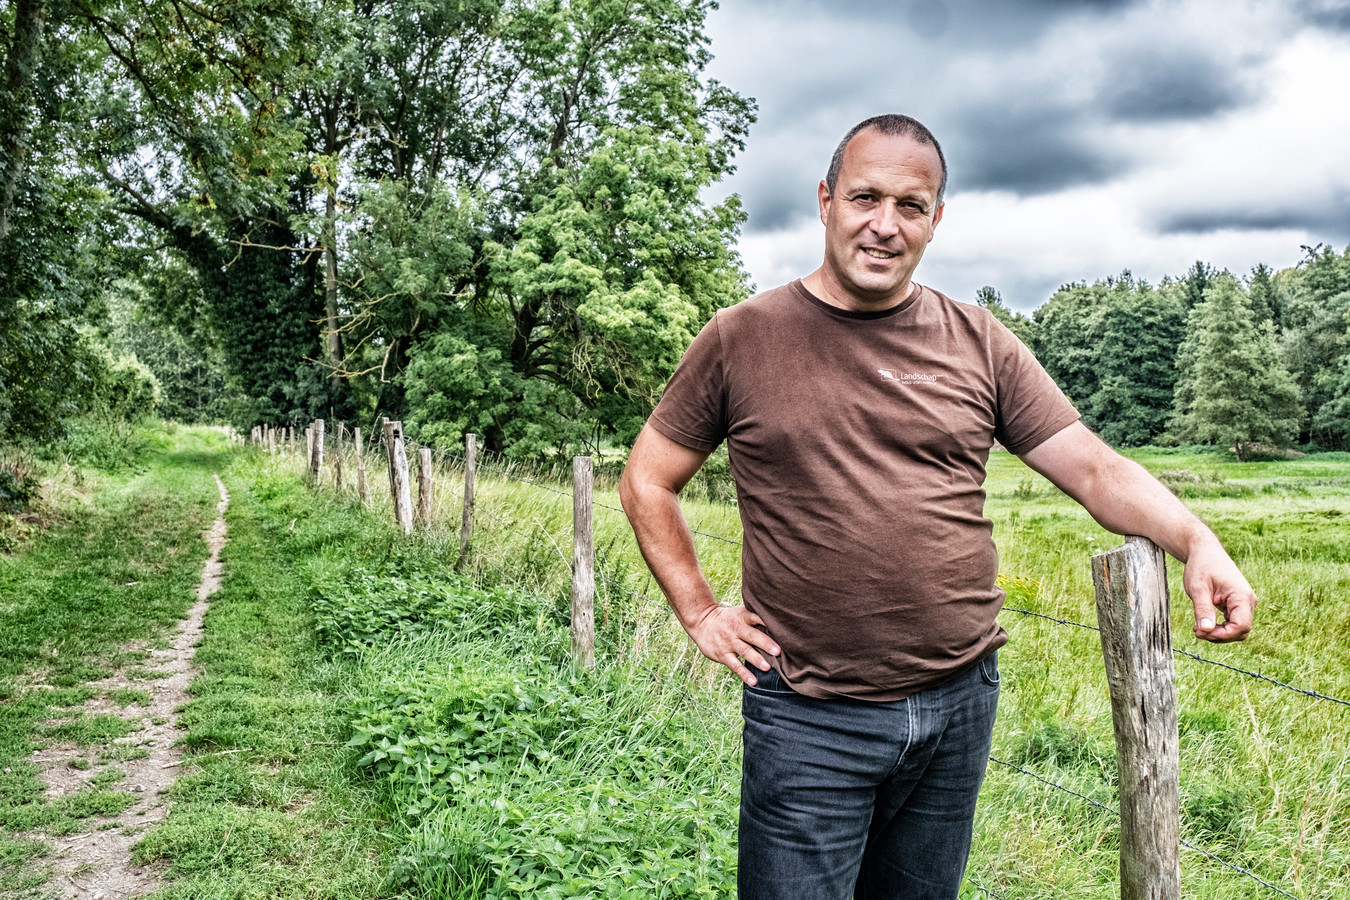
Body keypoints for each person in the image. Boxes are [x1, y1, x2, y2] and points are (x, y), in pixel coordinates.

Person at [618, 114, 1256, 900]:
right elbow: (647, 478)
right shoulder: (742, 338)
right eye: (865, 198)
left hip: (958, 707)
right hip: (811, 717)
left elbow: (1092, 469)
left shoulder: (978, 340)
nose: (885, 225)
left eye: (910, 206)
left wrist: (1198, 540)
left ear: (936, 220)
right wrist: (700, 612)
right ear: (825, 201)